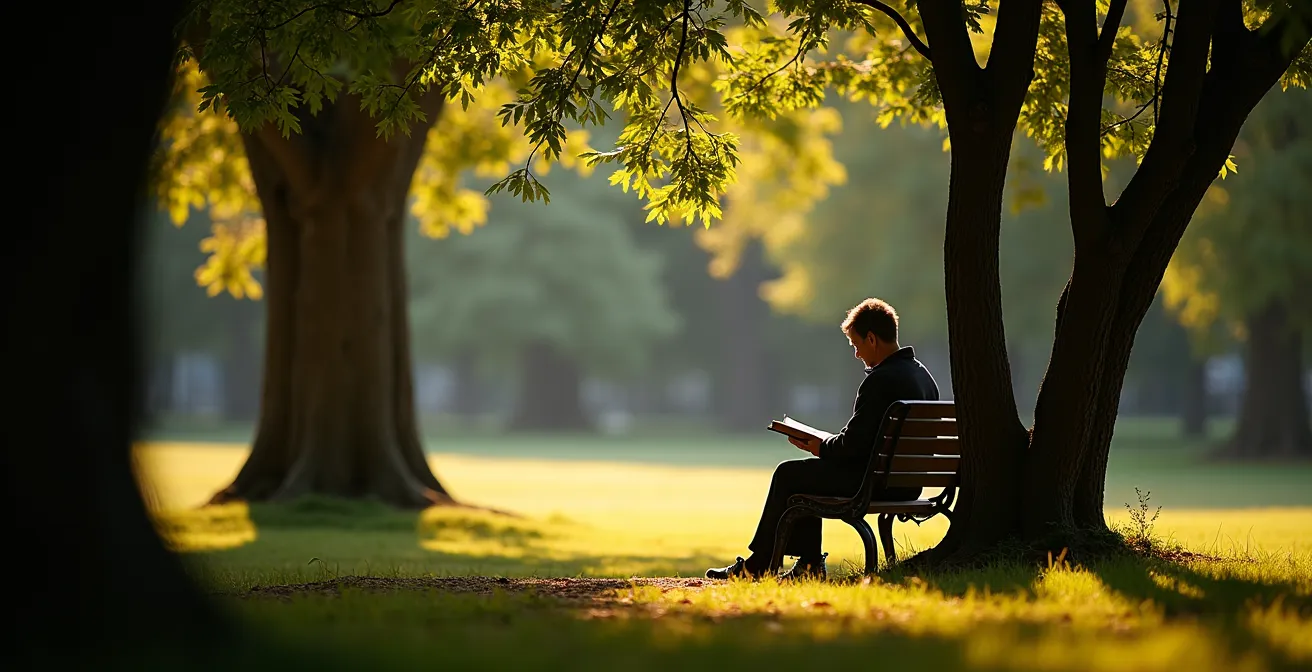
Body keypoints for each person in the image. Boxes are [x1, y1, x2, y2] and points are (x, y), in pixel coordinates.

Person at [706, 298, 939, 581]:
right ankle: (806, 564)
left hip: (873, 484)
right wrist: (826, 447)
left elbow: (852, 446)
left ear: (872, 339)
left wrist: (819, 445)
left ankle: (764, 566)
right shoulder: (923, 377)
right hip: (905, 485)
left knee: (789, 473)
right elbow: (866, 442)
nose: (856, 354)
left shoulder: (881, 380)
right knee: (808, 472)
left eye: (856, 345)